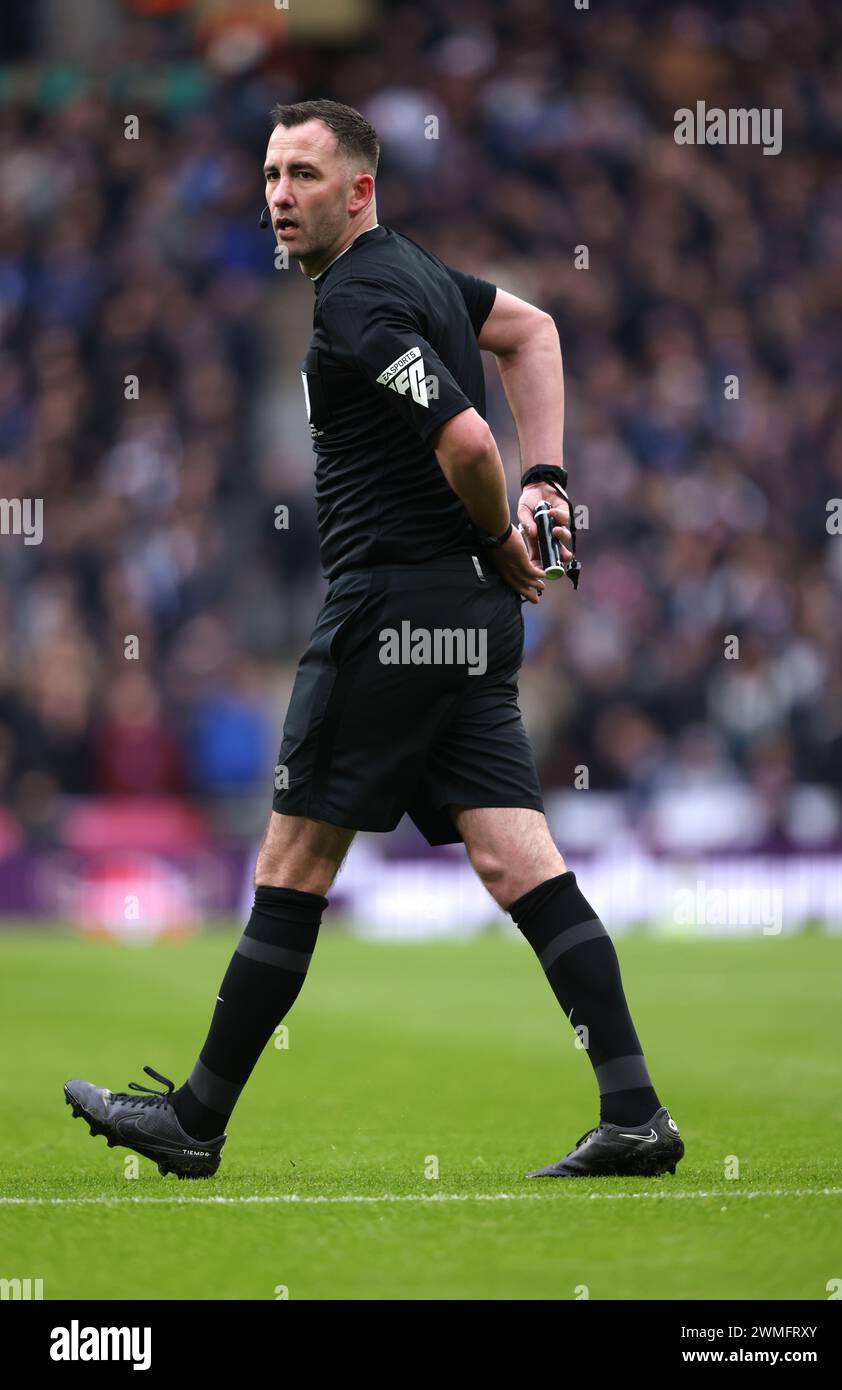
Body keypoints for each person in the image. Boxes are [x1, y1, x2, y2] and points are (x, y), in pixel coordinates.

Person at [65, 99, 683, 1182]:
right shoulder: (427, 274)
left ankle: (196, 1119)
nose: (278, 195)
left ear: (359, 189)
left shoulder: (357, 297)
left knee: (294, 858)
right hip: (470, 632)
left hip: (393, 613)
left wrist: (506, 527)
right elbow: (532, 331)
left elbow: (461, 435)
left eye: (303, 174)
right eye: (269, 174)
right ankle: (635, 1112)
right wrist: (553, 481)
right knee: (515, 855)